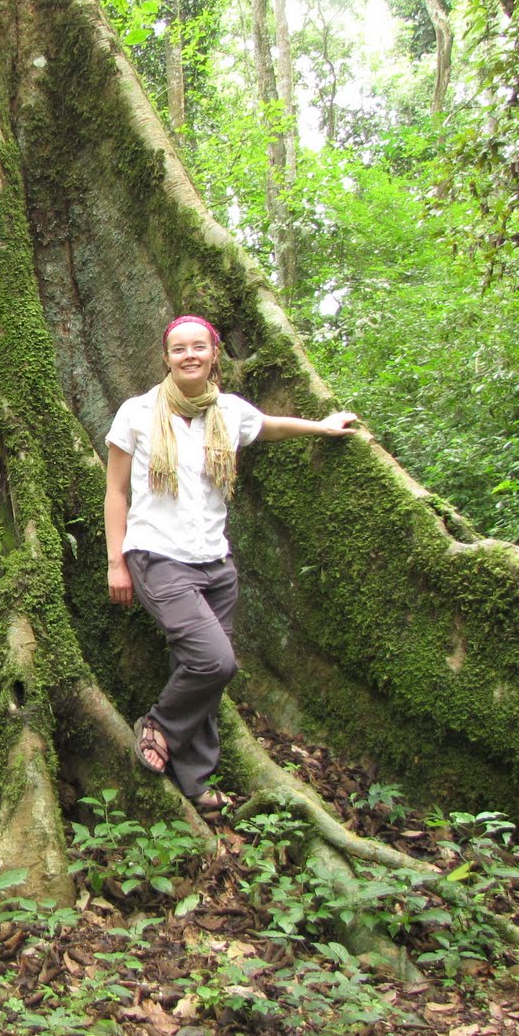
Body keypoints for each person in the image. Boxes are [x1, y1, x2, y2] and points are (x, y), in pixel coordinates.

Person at [103, 315, 357, 812]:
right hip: (157, 557)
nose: (190, 355)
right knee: (214, 661)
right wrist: (116, 562)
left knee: (202, 674)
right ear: (166, 357)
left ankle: (192, 785)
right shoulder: (137, 412)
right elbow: (114, 491)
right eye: (179, 349)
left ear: (215, 353)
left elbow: (271, 426)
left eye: (199, 346)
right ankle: (157, 725)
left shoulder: (228, 411)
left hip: (216, 565)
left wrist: (322, 427)